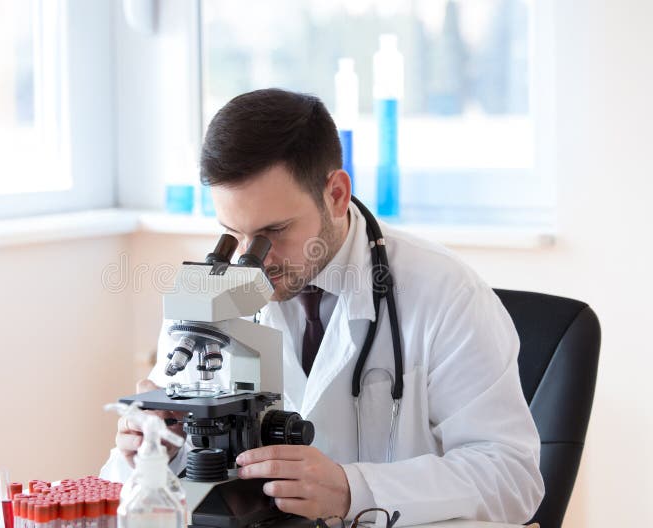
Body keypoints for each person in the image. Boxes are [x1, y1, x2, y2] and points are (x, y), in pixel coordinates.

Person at [100, 88, 544, 525]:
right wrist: (151, 446)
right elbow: (139, 475)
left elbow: (512, 478)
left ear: (335, 194)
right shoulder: (211, 295)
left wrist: (354, 490)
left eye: (275, 231)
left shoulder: (445, 292)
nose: (256, 260)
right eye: (235, 234)